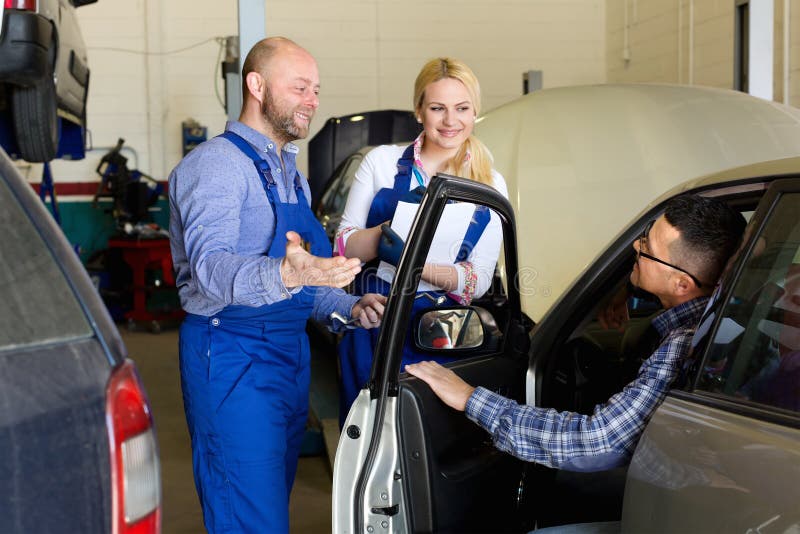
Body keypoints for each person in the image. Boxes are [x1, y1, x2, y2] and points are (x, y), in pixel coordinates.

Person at [168, 37, 385, 533]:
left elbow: (303, 281)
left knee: (268, 506)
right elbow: (211, 268)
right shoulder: (218, 166)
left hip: (287, 359)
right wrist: (289, 273)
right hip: (231, 358)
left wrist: (349, 307)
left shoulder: (291, 174)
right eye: (300, 87)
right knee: (248, 517)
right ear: (257, 85)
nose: (312, 99)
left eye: (316, 89)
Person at [406, 195, 745, 476]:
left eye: (648, 247)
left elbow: (596, 442)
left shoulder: (684, 342)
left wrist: (470, 398)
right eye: (645, 234)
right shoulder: (724, 323)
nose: (636, 247)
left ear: (681, 284)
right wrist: (624, 291)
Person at [335, 57, 508, 422]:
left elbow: (477, 280)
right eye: (437, 108)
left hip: (442, 332)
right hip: (374, 320)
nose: (450, 121)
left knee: (420, 443)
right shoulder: (380, 163)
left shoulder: (489, 183)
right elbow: (346, 245)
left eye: (462, 108)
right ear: (419, 111)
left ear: (475, 111)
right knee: (365, 439)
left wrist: (412, 262)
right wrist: (383, 234)